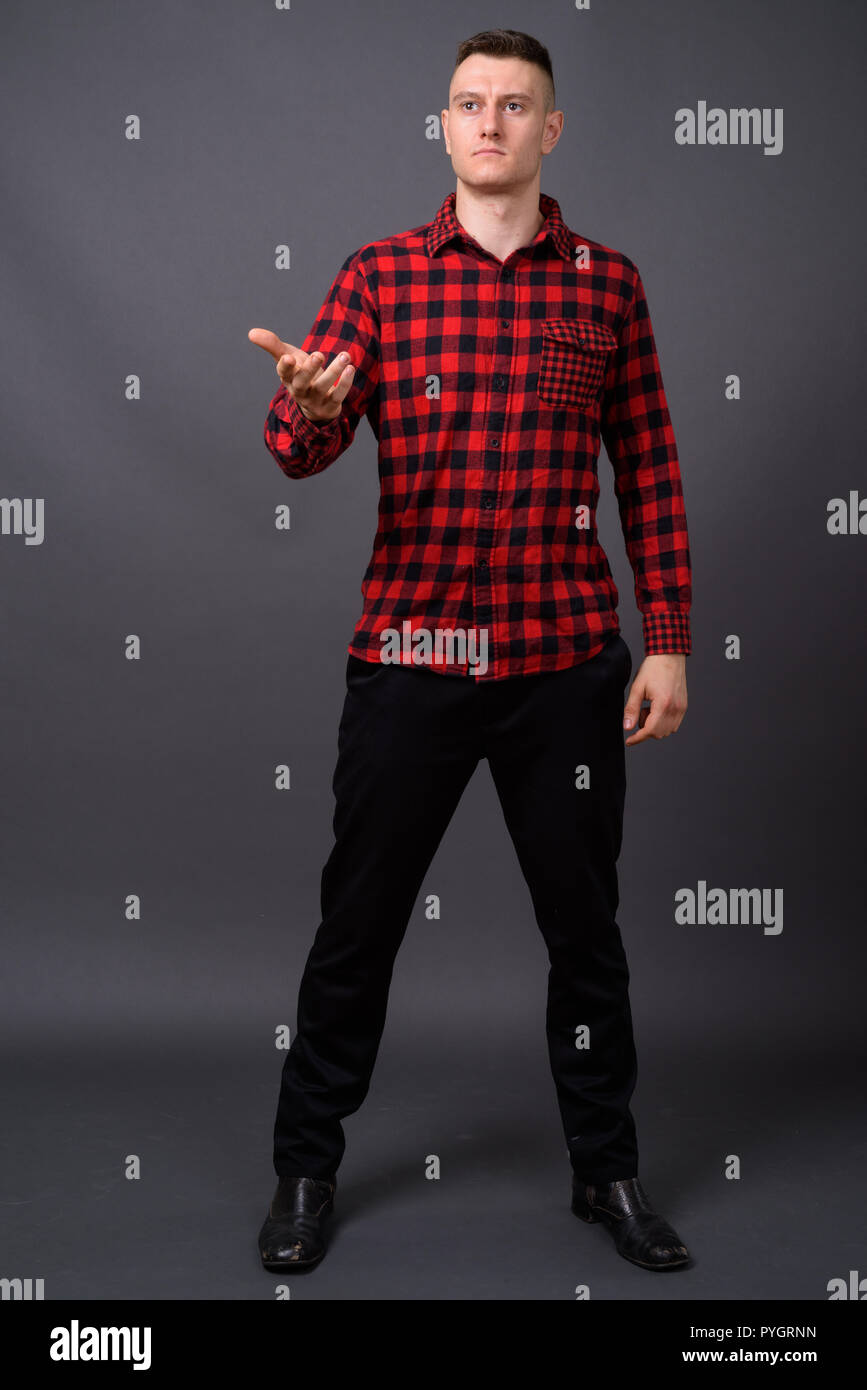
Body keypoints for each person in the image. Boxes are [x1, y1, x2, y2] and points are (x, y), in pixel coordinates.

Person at [248, 27, 692, 1276]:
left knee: (587, 935)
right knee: (358, 927)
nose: (488, 123)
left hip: (564, 668)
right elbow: (298, 438)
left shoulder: (608, 283)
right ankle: (302, 1171)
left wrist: (667, 642)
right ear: (442, 126)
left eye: (515, 105)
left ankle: (606, 1171)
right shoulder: (380, 276)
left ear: (553, 130)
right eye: (467, 103)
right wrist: (311, 405)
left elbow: (648, 468)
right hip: (410, 659)